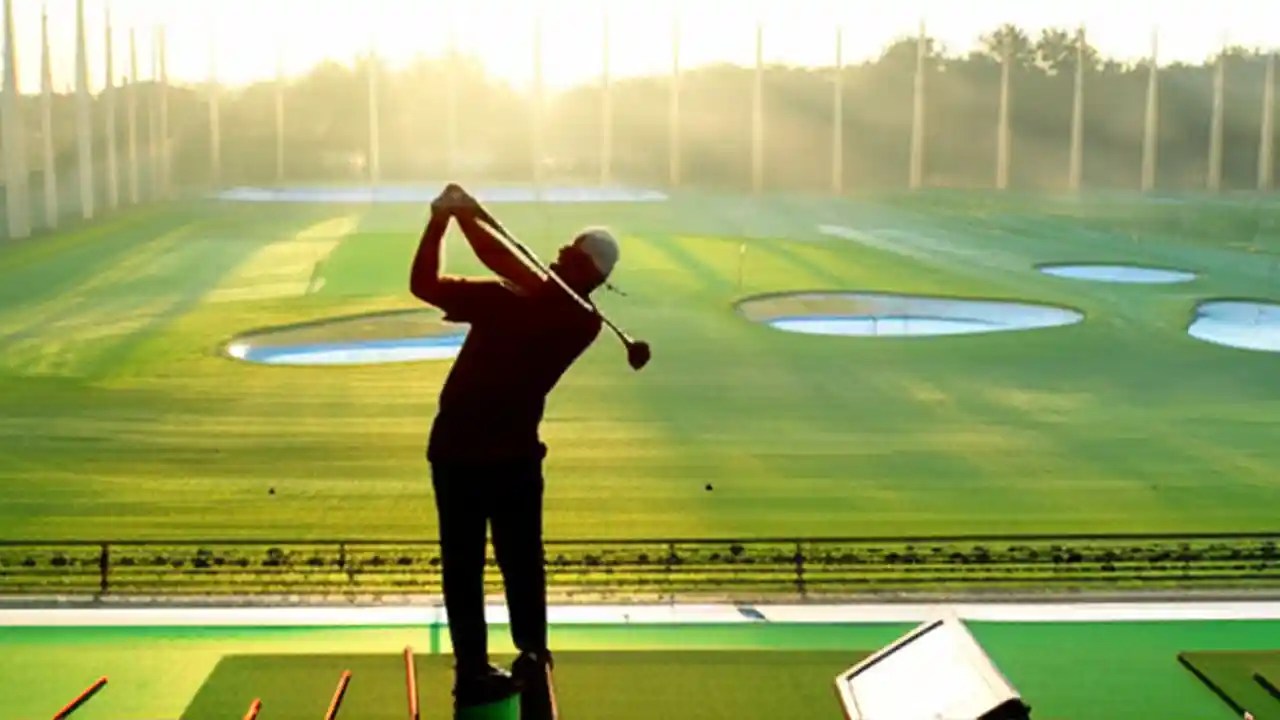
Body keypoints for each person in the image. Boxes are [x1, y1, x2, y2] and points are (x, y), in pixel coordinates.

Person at [409, 184, 617, 717]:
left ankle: (486, 668)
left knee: (471, 565)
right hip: (503, 456)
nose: (555, 256)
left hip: (466, 452)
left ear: (584, 271)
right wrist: (460, 218)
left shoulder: (527, 302)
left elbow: (465, 267)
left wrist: (452, 217)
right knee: (515, 563)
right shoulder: (580, 320)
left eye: (568, 255)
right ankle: (522, 659)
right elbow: (458, 273)